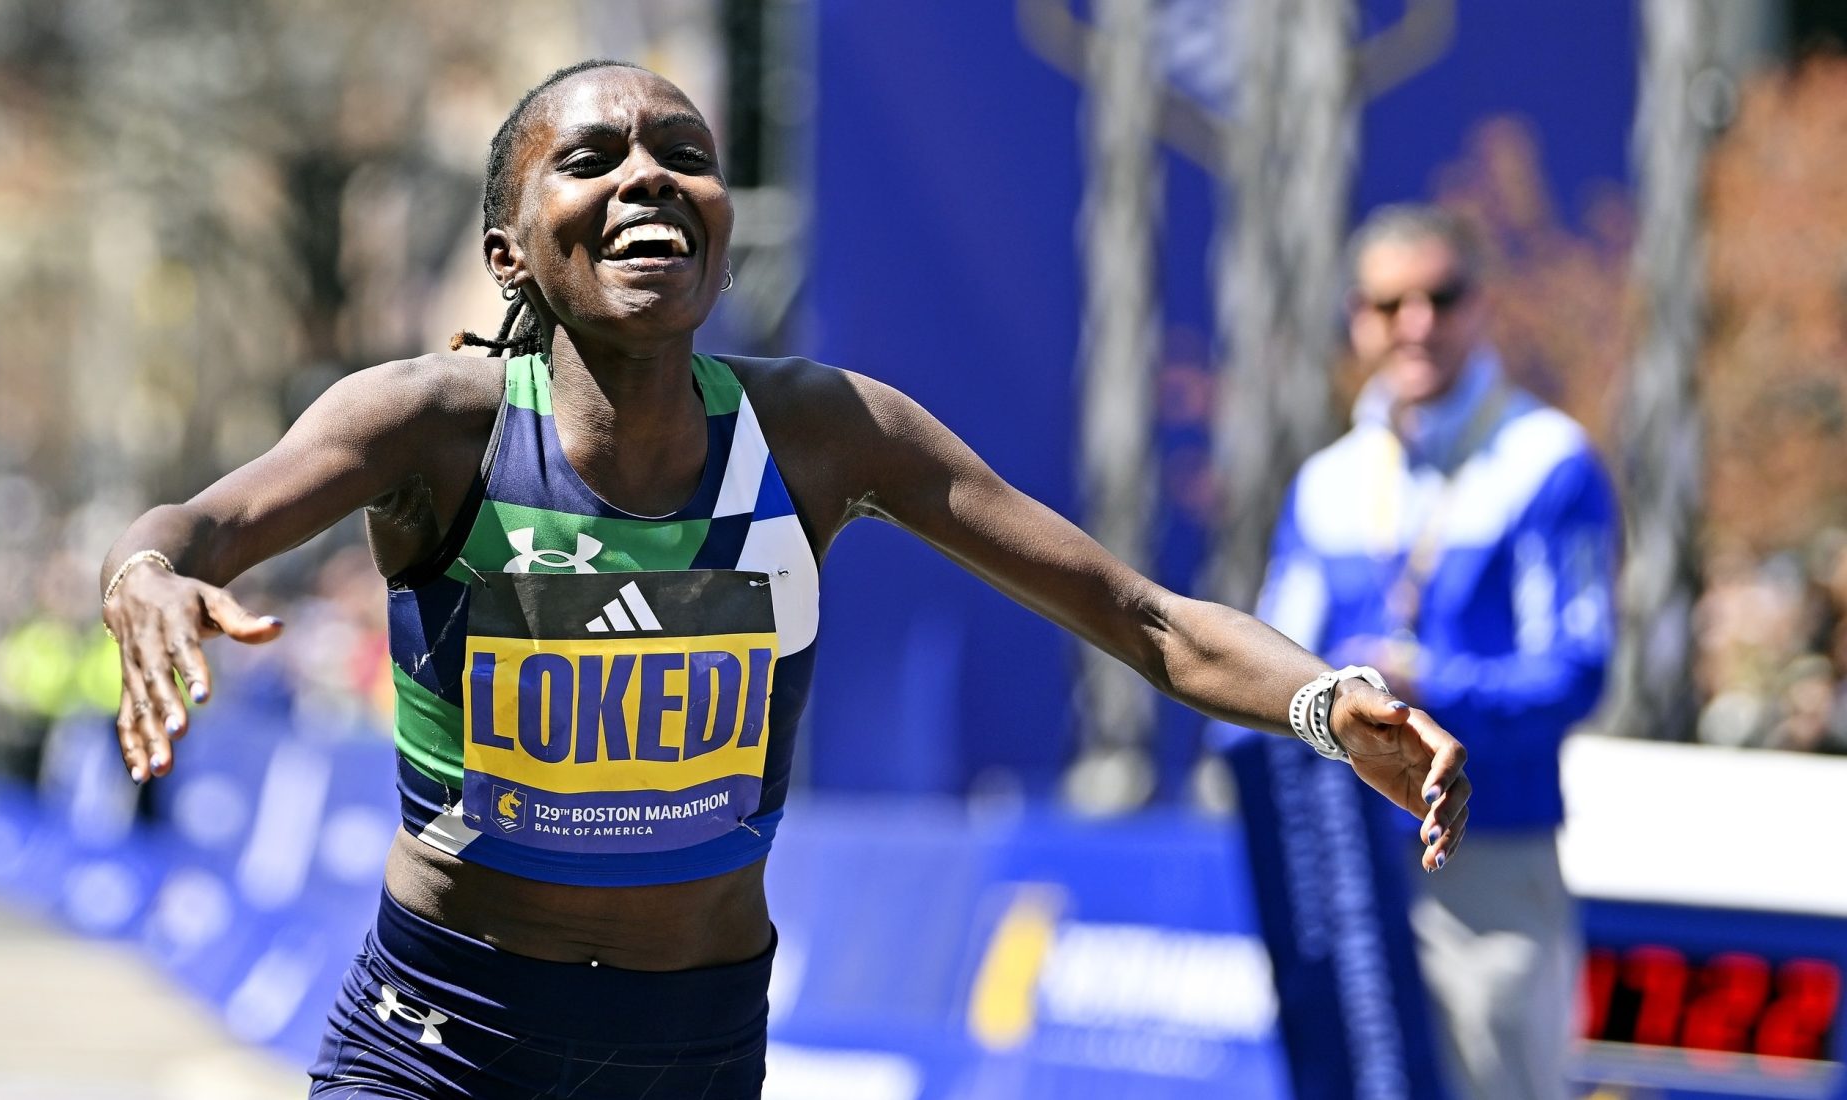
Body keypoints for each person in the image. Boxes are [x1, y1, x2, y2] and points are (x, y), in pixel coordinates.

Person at [98, 61, 1471, 1100]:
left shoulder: (820, 434)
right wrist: (150, 575)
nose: (649, 176)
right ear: (510, 248)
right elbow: (196, 522)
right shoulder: (431, 423)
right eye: (594, 158)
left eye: (683, 156)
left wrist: (1323, 698)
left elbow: (1143, 617)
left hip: (689, 1043)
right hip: (444, 1037)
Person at [1247, 204, 1616, 1099]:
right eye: (1388, 304)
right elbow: (1266, 665)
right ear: (1356, 320)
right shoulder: (1329, 482)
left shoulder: (1545, 460)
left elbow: (1576, 673)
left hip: (1489, 855)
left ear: (1482, 306)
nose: (1417, 324)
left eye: (1442, 298)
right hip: (1347, 861)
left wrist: (1423, 687)